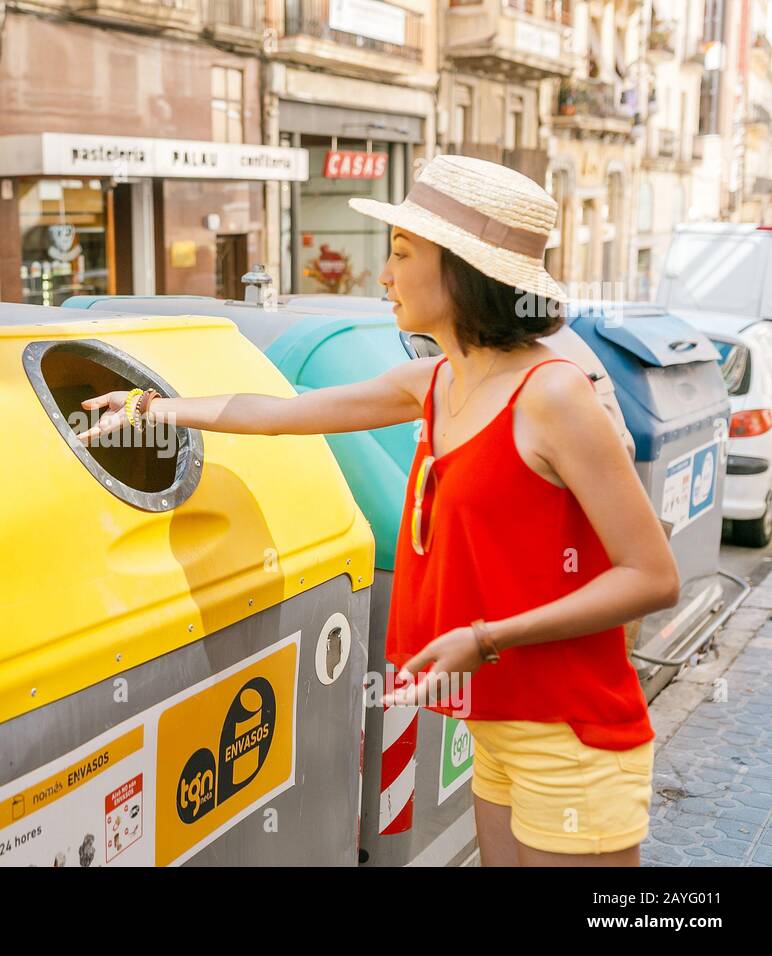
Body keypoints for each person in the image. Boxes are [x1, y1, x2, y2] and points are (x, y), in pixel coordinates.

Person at [73, 154, 679, 867]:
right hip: (497, 724)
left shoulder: (552, 395)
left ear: (460, 270)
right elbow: (277, 414)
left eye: (400, 254)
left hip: (570, 735)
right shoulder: (434, 381)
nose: (382, 277)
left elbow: (651, 577)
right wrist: (150, 407)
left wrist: (485, 638)